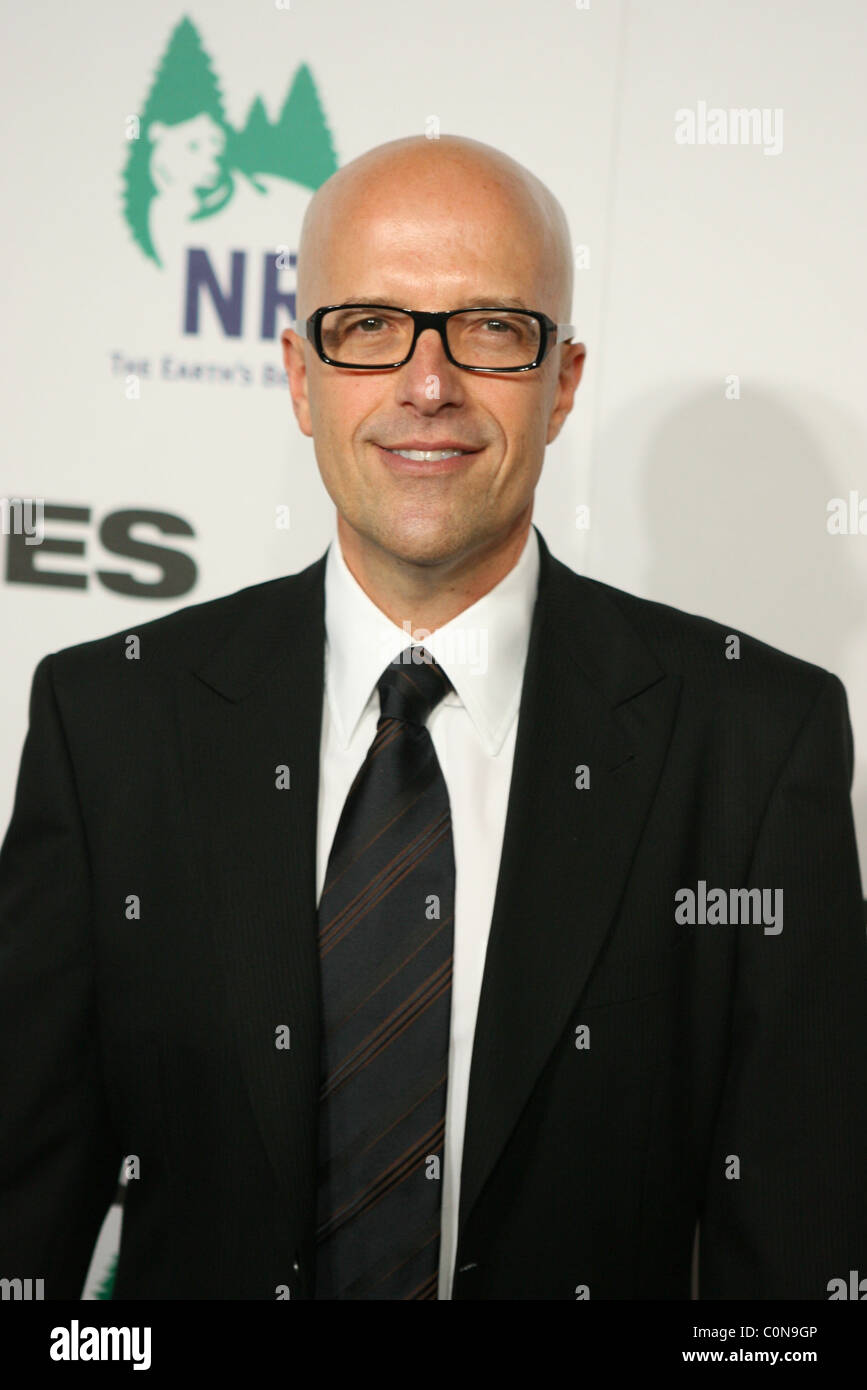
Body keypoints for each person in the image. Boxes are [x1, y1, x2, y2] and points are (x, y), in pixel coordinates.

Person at [1, 134, 865, 1301]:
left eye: (493, 330)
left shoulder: (756, 745)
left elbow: (799, 1272)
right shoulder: (108, 721)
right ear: (302, 377)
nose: (429, 383)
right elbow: (24, 1210)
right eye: (370, 327)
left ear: (561, 383)